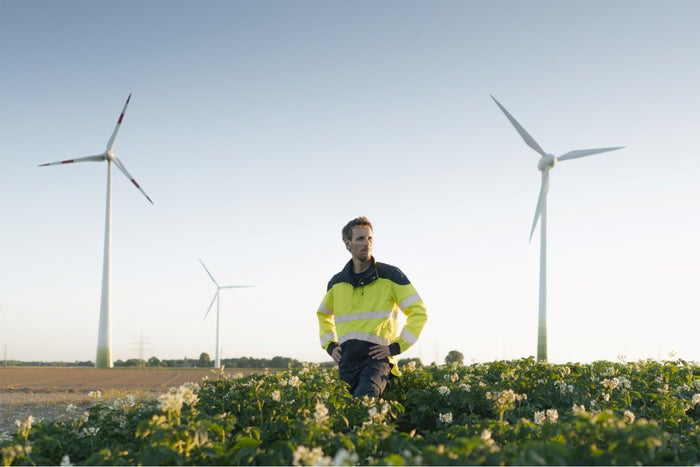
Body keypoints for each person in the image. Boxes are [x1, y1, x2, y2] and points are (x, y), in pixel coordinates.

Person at [317, 216, 428, 398]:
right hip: (346, 362)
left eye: (369, 238)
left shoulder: (391, 275)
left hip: (377, 359)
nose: (366, 243)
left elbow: (419, 312)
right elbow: (323, 315)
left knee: (366, 398)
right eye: (360, 238)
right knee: (346, 408)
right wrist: (330, 346)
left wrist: (396, 347)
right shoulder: (336, 282)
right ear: (348, 244)